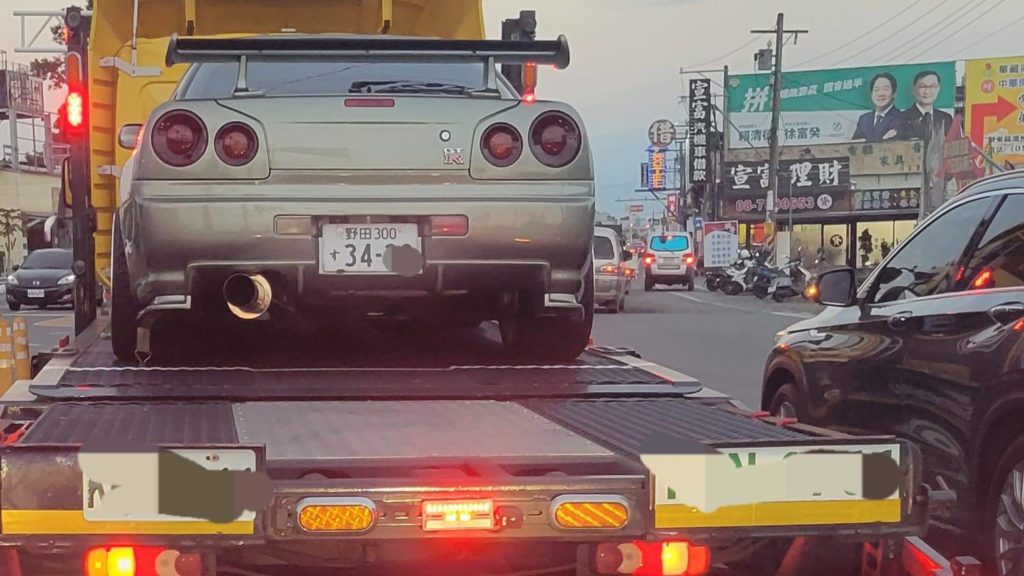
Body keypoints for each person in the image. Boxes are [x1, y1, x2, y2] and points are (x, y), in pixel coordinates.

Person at [902, 70, 954, 141]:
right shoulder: (901, 119)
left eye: (932, 86)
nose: (927, 91)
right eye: (922, 87)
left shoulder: (946, 118)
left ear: (938, 89)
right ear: (914, 89)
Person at [853, 73, 907, 141]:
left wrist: (866, 141)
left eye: (886, 89)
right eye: (876, 89)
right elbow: (855, 145)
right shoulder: (864, 119)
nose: (880, 93)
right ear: (871, 94)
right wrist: (883, 139)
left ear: (894, 93)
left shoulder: (902, 118)